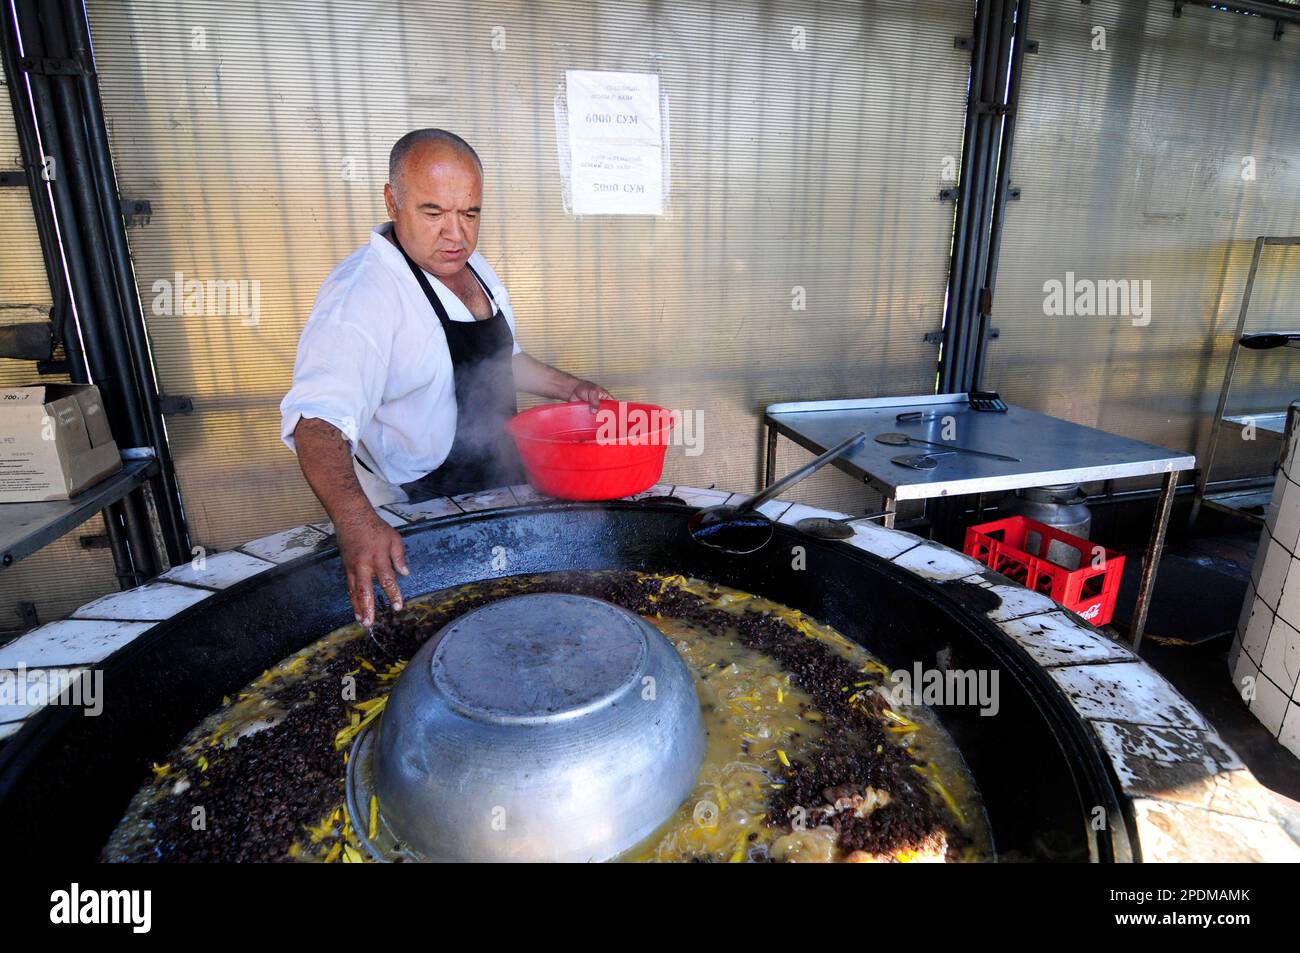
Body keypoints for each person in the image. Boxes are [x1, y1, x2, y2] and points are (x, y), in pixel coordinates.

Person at [280, 129, 610, 625]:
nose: (456, 234)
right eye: (433, 213)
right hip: (412, 502)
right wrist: (357, 523)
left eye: (470, 213)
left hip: (491, 479)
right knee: (437, 631)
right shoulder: (363, 295)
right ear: (393, 202)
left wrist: (571, 388)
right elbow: (317, 423)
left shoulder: (472, 267)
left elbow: (499, 358)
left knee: (515, 619)